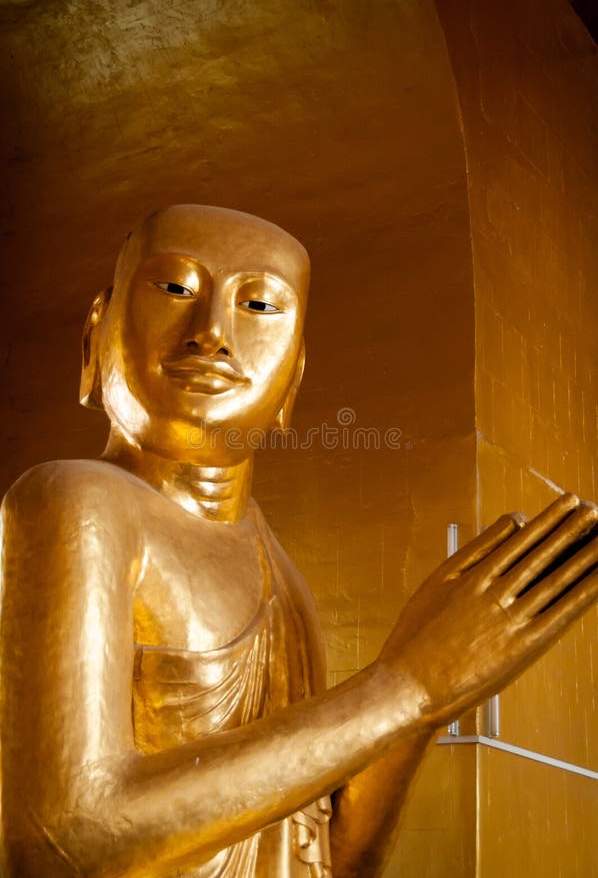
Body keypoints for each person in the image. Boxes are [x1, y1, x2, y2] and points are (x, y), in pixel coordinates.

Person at [1, 205, 596, 878]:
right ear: (95, 336)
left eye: (258, 303)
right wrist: (403, 689)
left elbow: (331, 862)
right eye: (175, 289)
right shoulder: (75, 501)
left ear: (295, 379)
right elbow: (60, 844)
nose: (213, 335)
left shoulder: (277, 569)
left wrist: (428, 704)